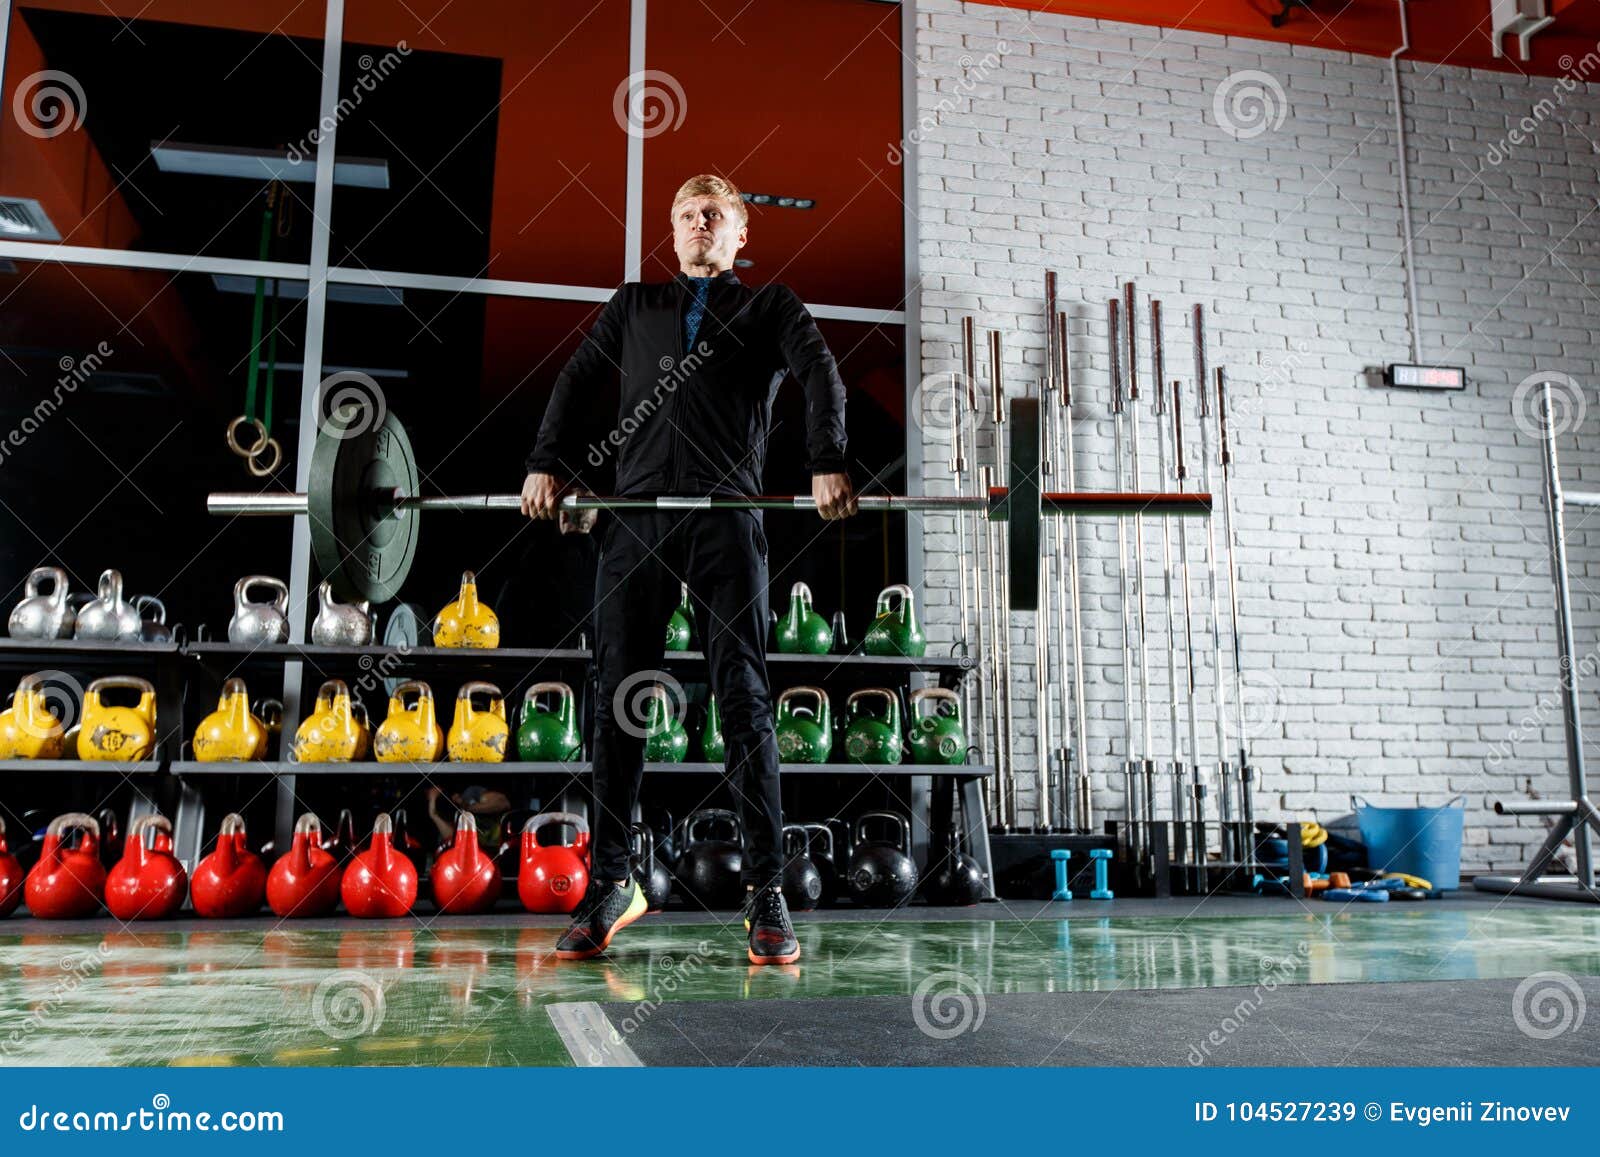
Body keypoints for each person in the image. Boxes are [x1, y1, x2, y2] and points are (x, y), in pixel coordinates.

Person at [522, 173, 856, 965]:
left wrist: (827, 458)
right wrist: (547, 463)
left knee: (742, 697)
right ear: (672, 232)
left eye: (716, 215)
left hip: (726, 515)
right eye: (686, 215)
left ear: (741, 235)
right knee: (617, 703)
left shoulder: (770, 307)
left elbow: (820, 373)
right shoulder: (634, 307)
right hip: (636, 517)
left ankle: (767, 891)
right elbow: (574, 381)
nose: (699, 223)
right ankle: (612, 883)